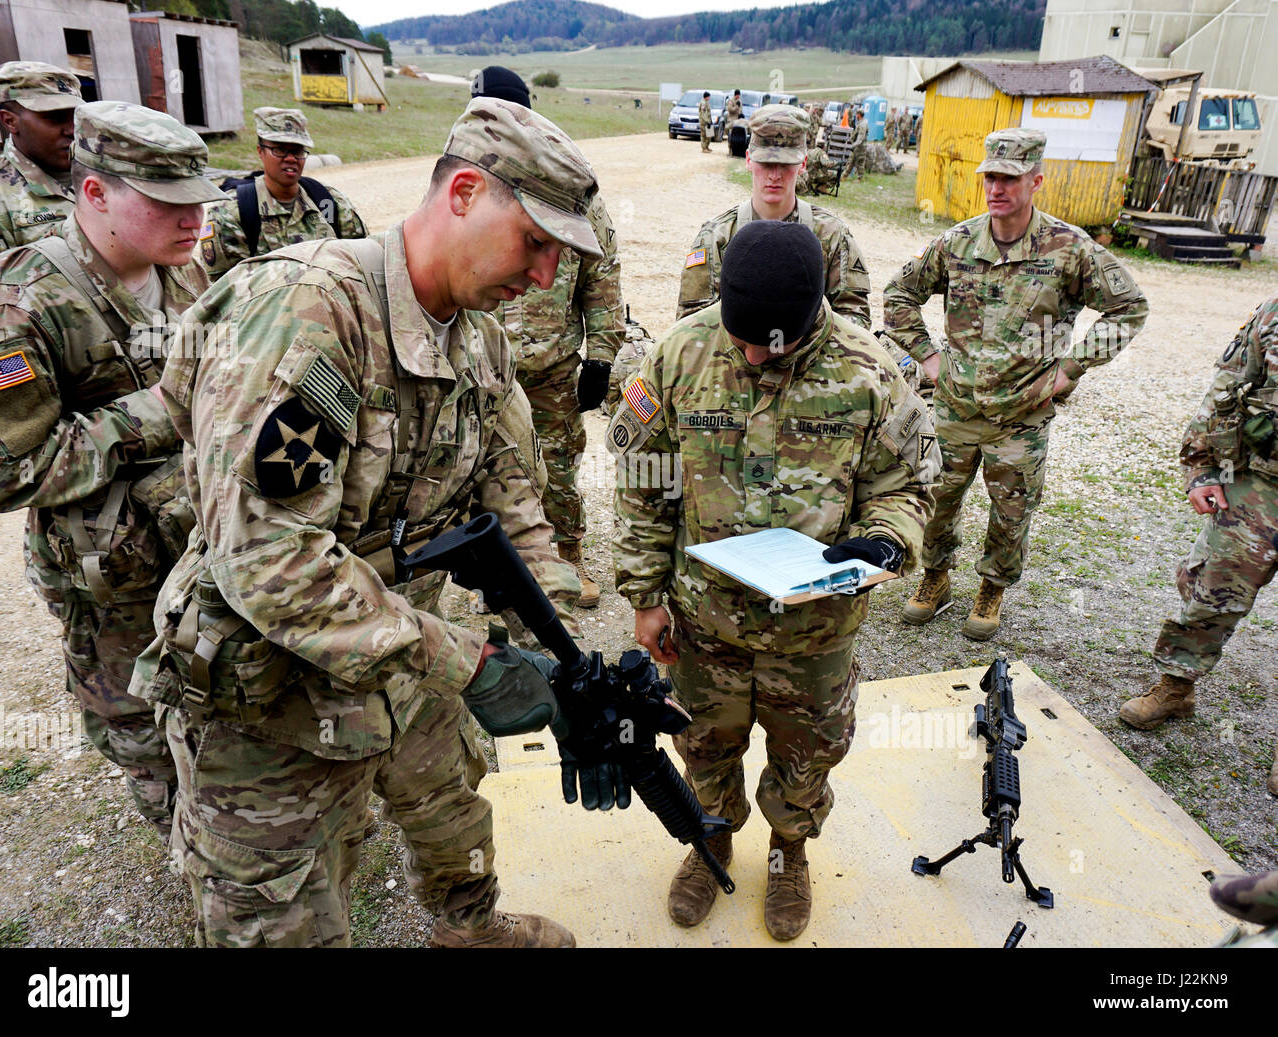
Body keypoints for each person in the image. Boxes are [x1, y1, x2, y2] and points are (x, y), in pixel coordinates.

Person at [143, 96, 611, 948]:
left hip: (395, 647)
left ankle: (470, 927)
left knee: (452, 806)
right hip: (268, 685)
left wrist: (563, 648)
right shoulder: (312, 314)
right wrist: (463, 657)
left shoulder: (479, 340)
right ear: (464, 193)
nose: (545, 278)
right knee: (280, 913)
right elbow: (270, 562)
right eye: (536, 243)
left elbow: (510, 496)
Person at [609, 221, 937, 940]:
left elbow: (906, 485)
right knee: (703, 741)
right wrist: (642, 596)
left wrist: (885, 541)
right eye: (742, 338)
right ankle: (712, 835)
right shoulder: (681, 354)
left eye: (770, 343)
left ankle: (789, 852)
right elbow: (642, 481)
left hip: (815, 629)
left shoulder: (869, 369)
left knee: (806, 751)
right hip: (705, 619)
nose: (754, 354)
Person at [0, 101, 224, 833]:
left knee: (218, 696)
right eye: (169, 203)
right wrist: (156, 411)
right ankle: (186, 849)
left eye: (200, 203)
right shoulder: (16, 304)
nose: (194, 221)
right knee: (141, 726)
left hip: (196, 541)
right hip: (107, 574)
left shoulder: (186, 272)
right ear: (95, 193)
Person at [885, 128, 1148, 640]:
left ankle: (992, 589)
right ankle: (936, 579)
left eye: (1009, 178)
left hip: (1022, 415)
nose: (996, 188)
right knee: (937, 498)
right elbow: (898, 295)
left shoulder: (1069, 249)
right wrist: (928, 358)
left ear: (1036, 181)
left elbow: (1128, 307)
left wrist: (1072, 369)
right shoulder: (958, 242)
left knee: (1012, 511)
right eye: (991, 178)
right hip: (956, 409)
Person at [473, 68, 626, 608]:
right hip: (479, 366)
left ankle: (568, 559)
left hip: (550, 370)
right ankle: (500, 570)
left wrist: (601, 359)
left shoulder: (567, 190)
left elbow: (601, 278)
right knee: (481, 468)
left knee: (557, 468)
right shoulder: (466, 187)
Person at [1119, 294, 1277, 796]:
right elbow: (1229, 384)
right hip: (1262, 483)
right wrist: (1206, 467)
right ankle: (1176, 686)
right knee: (1211, 587)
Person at [677, 105, 871, 331]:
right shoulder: (717, 236)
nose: (775, 175)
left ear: (803, 164)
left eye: (786, 165)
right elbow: (691, 328)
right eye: (766, 163)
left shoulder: (832, 235)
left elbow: (856, 322)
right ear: (749, 160)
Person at [197, 106, 367, 279]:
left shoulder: (330, 202)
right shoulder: (232, 212)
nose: (291, 158)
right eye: (279, 150)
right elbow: (224, 292)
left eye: (297, 151)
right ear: (260, 151)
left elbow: (362, 267)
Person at [0, 62, 82, 264]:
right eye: (55, 117)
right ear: (10, 121)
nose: (72, 130)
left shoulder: (106, 174)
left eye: (77, 116)